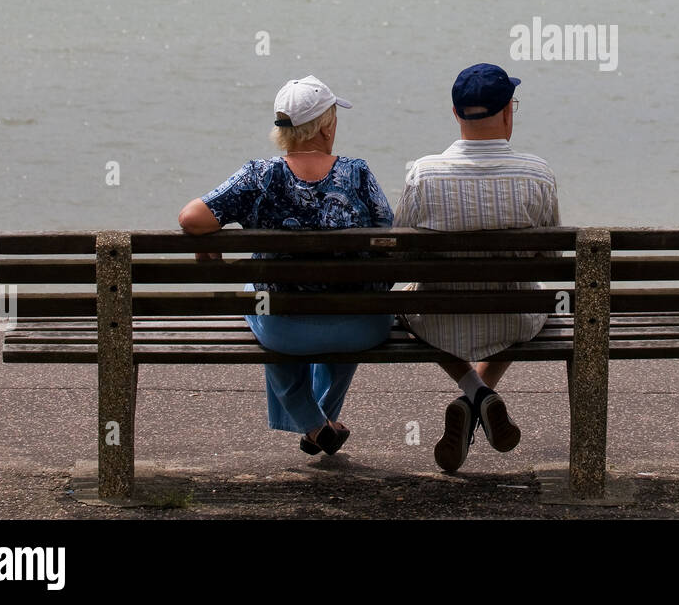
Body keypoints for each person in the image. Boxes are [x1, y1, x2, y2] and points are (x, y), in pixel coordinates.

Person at [177, 75, 394, 457]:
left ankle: (312, 423)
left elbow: (191, 217)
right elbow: (390, 239)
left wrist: (206, 243)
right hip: (361, 328)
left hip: (285, 331)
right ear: (326, 126)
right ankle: (321, 419)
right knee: (353, 297)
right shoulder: (357, 173)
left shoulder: (257, 177)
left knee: (260, 297)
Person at [396, 63, 559, 472]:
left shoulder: (423, 174)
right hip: (515, 319)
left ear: (456, 114)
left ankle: (474, 391)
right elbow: (552, 259)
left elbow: (398, 251)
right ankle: (481, 395)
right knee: (522, 296)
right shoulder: (537, 175)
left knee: (406, 298)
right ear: (507, 112)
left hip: (436, 321)